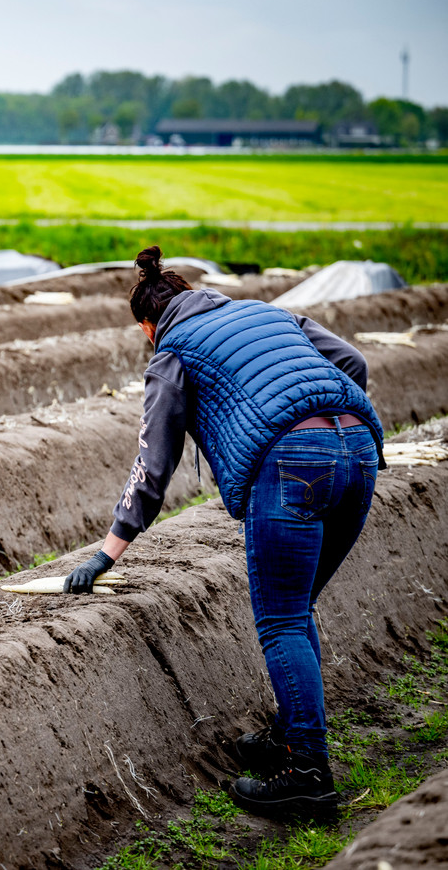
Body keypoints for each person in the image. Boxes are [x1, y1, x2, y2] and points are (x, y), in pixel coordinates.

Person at [65, 245, 383, 821]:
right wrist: (334, 428)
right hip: (359, 449)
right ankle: (295, 741)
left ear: (147, 325)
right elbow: (353, 364)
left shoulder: (172, 351)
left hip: (289, 462)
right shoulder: (271, 312)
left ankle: (308, 777)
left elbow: (152, 466)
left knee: (282, 618)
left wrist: (107, 554)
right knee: (298, 605)